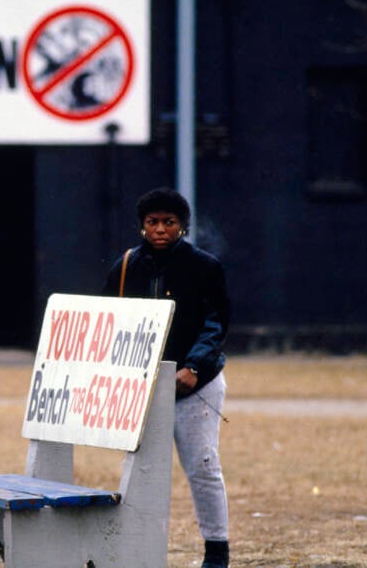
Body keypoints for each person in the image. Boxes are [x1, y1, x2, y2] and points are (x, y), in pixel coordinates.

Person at [102, 187, 231, 568]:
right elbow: (107, 320)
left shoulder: (205, 266)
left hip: (196, 386)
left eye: (169, 222)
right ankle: (134, 549)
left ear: (182, 226)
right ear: (142, 226)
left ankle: (217, 552)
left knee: (203, 468)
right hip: (141, 388)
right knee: (139, 473)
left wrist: (193, 367)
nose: (160, 229)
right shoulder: (125, 266)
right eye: (153, 222)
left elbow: (216, 323)